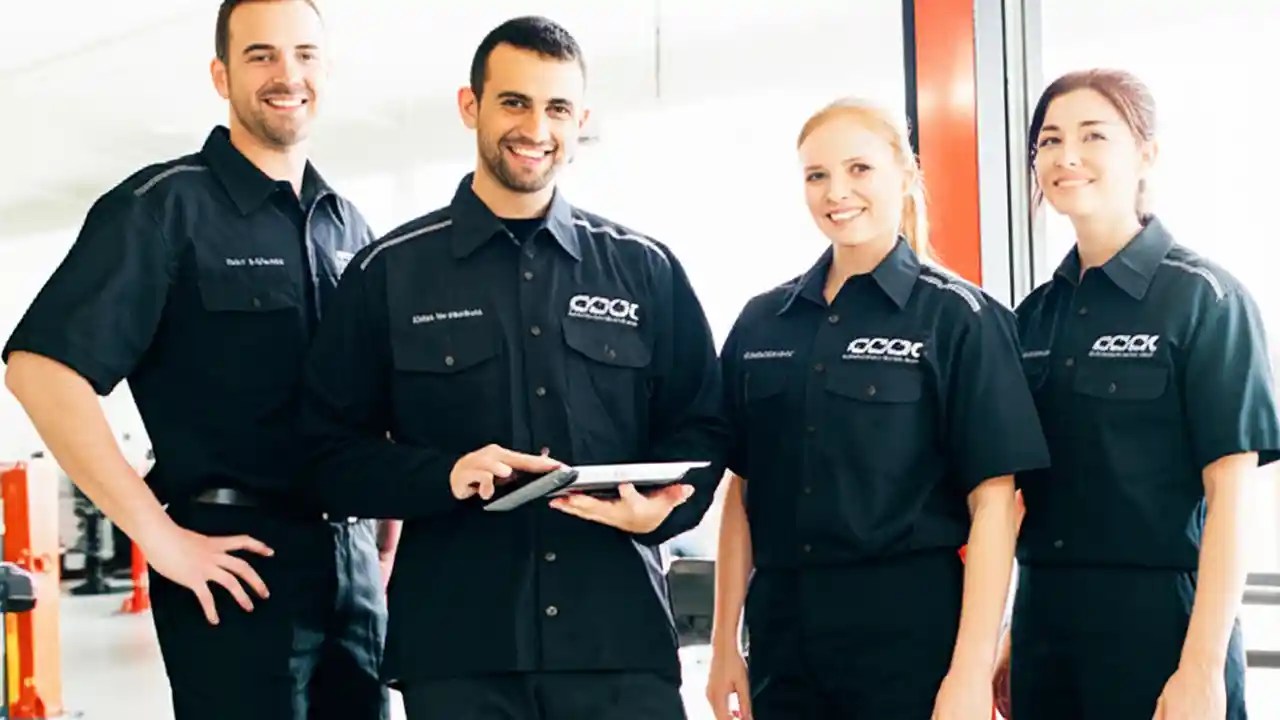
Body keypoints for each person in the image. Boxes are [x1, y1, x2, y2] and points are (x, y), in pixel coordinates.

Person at [298, 15, 730, 720]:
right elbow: (325, 455)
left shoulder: (643, 271)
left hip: (616, 644)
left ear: (581, 119)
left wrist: (657, 512)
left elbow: (704, 427)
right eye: (515, 102)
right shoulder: (389, 274)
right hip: (462, 654)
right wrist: (441, 475)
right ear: (471, 106)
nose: (536, 127)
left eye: (557, 107)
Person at [2, 2, 390, 718]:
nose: (287, 74)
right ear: (221, 75)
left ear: (326, 72)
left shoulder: (350, 224)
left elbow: (376, 395)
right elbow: (39, 368)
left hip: (352, 572)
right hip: (234, 568)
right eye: (261, 55)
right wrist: (157, 537)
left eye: (305, 55)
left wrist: (385, 537)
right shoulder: (163, 208)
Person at [703, 96, 1050, 720]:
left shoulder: (961, 319)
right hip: (783, 637)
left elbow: (995, 506)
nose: (838, 192)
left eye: (859, 169)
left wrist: (969, 675)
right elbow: (742, 492)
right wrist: (724, 643)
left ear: (905, 175)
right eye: (817, 176)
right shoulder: (762, 321)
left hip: (908, 637)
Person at [998, 68, 1280, 720]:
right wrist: (1015, 633)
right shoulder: (1032, 316)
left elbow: (1233, 501)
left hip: (1163, 625)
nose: (1066, 156)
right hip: (1047, 624)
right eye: (1049, 140)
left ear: (1145, 154)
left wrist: (1202, 668)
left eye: (1093, 135)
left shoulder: (1206, 299)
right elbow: (1028, 502)